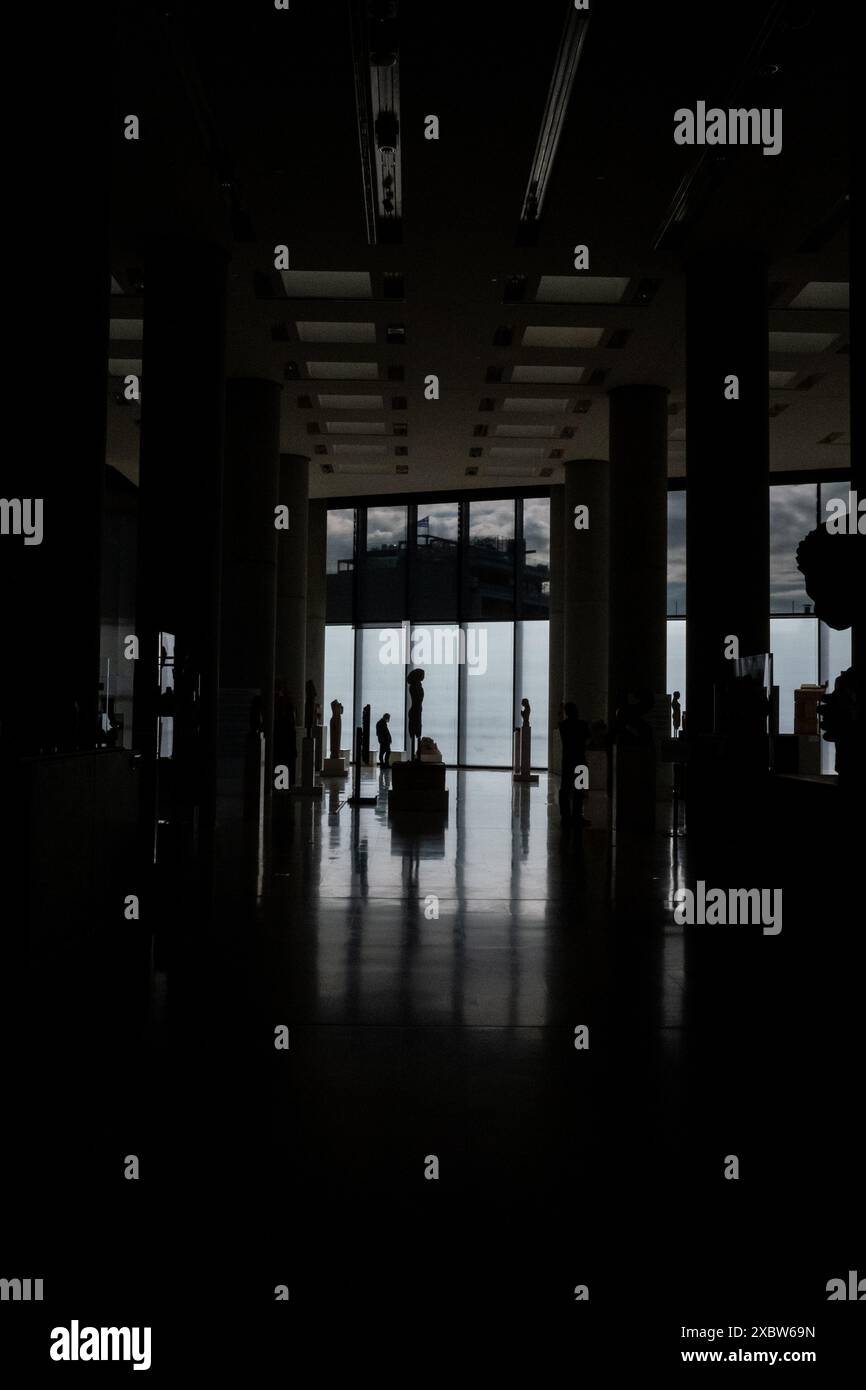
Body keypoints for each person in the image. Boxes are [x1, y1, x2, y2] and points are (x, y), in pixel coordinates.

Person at [559, 701, 590, 826]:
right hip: (580, 759)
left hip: (567, 760)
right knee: (579, 789)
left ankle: (565, 816)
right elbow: (587, 739)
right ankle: (577, 816)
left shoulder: (563, 726)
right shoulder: (582, 725)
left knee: (565, 789)